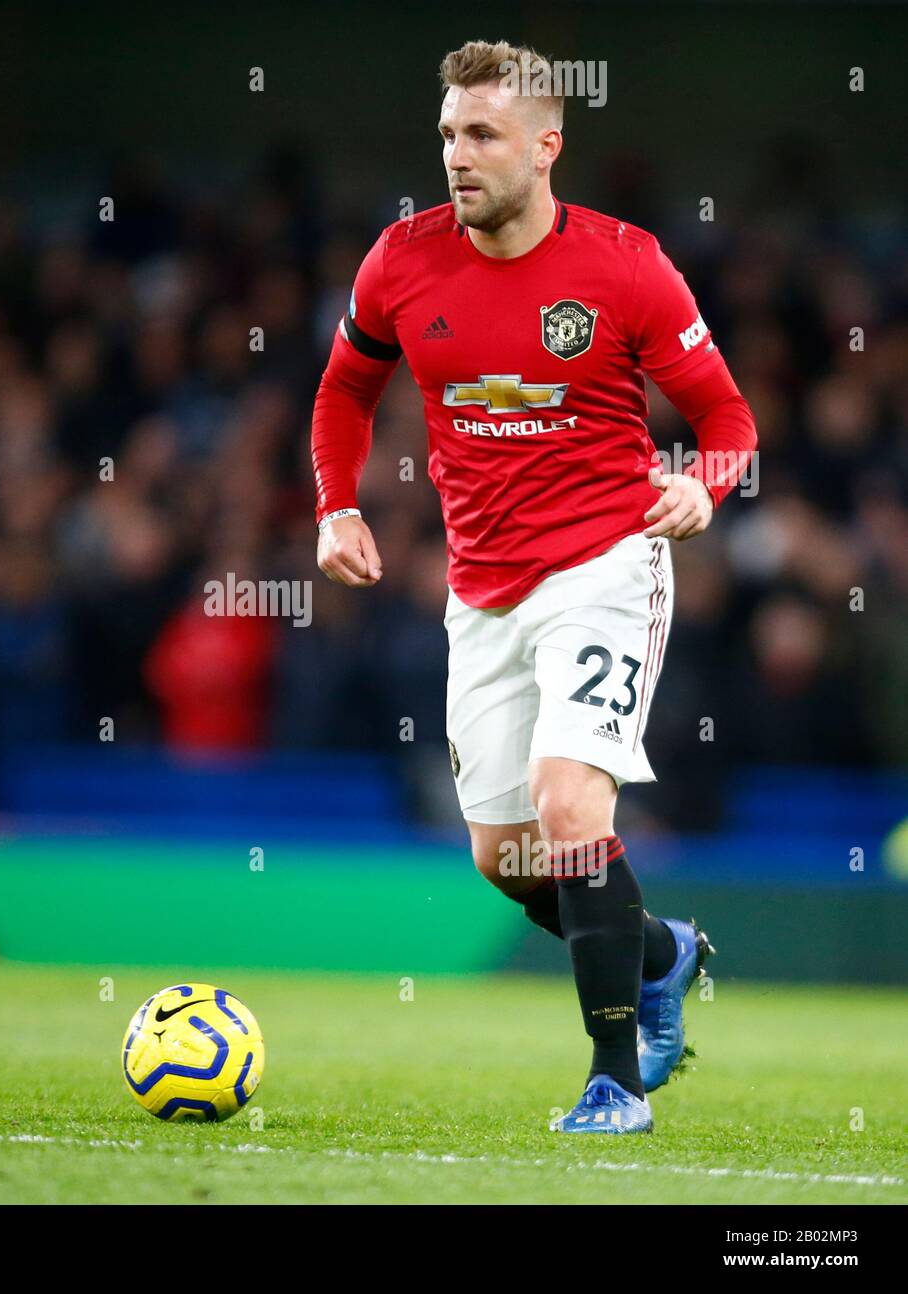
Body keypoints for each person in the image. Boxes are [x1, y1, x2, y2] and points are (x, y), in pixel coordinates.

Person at [311, 40, 757, 1133]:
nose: (456, 157)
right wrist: (335, 506)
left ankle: (615, 1081)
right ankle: (659, 954)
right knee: (505, 856)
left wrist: (701, 486)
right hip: (484, 588)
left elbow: (727, 417)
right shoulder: (400, 261)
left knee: (568, 808)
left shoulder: (625, 267)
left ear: (546, 146)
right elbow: (343, 390)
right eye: (448, 135)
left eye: (482, 135)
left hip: (606, 563)